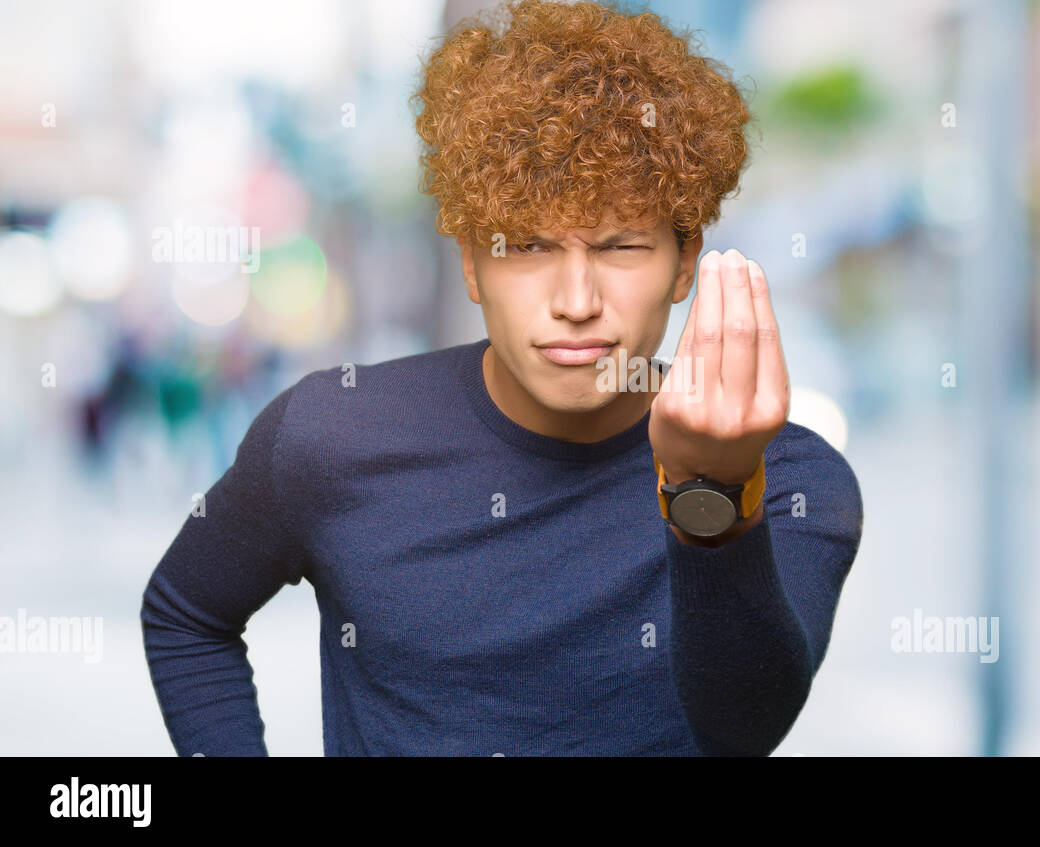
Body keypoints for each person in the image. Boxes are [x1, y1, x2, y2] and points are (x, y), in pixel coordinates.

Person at [140, 0, 863, 756]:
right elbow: (185, 613)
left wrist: (709, 494)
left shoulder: (792, 479)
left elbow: (743, 727)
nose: (576, 302)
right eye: (526, 246)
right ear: (471, 265)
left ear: (685, 263)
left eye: (620, 246)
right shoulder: (330, 432)